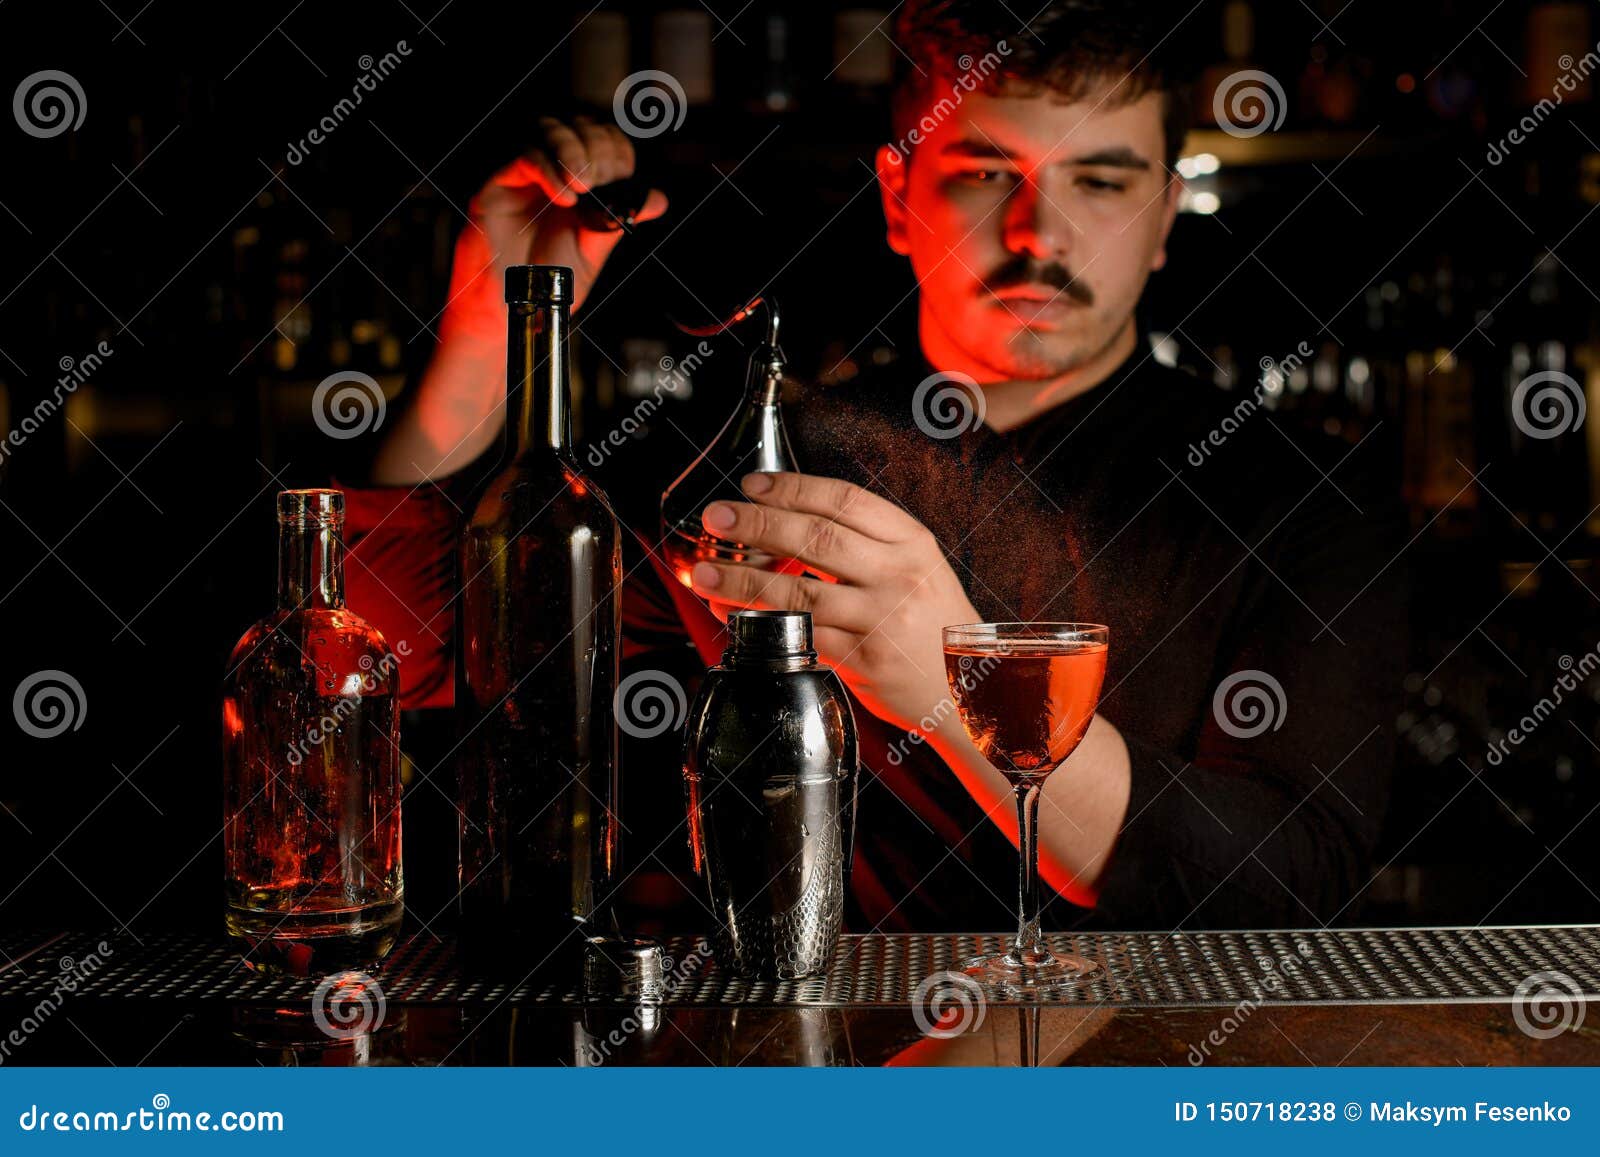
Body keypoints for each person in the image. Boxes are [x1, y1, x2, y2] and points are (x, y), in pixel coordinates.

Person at [344, 0, 1408, 932]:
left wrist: (956, 683)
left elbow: (1293, 877)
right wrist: (485, 330)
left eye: (1099, 180)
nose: (1040, 232)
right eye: (986, 173)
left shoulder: (1298, 496)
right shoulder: (770, 461)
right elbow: (383, 647)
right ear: (898, 197)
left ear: (1165, 212)